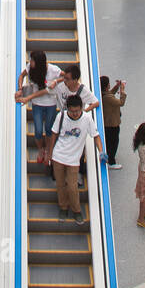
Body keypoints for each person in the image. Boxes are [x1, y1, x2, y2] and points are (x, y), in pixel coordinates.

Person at [46, 94, 105, 224]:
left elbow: (96, 135)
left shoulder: (87, 119)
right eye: (72, 111)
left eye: (77, 111)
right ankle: (63, 207)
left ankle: (77, 211)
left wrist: (101, 151)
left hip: (73, 160)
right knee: (60, 185)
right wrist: (49, 154)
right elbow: (54, 134)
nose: (74, 114)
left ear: (82, 108)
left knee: (72, 187)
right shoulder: (60, 116)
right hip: (58, 156)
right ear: (67, 108)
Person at [16, 50, 63, 162]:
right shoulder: (30, 68)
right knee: (38, 130)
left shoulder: (53, 69)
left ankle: (47, 149)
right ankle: (40, 149)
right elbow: (22, 75)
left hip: (50, 103)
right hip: (37, 103)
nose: (30, 62)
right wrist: (20, 88)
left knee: (48, 129)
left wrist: (55, 82)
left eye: (32, 60)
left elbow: (65, 76)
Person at [101, 75, 126, 169]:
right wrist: (122, 91)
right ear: (107, 86)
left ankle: (108, 157)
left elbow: (110, 93)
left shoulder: (102, 94)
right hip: (112, 124)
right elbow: (121, 102)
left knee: (108, 141)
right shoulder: (108, 98)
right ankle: (111, 162)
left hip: (107, 123)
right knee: (113, 142)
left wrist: (116, 86)